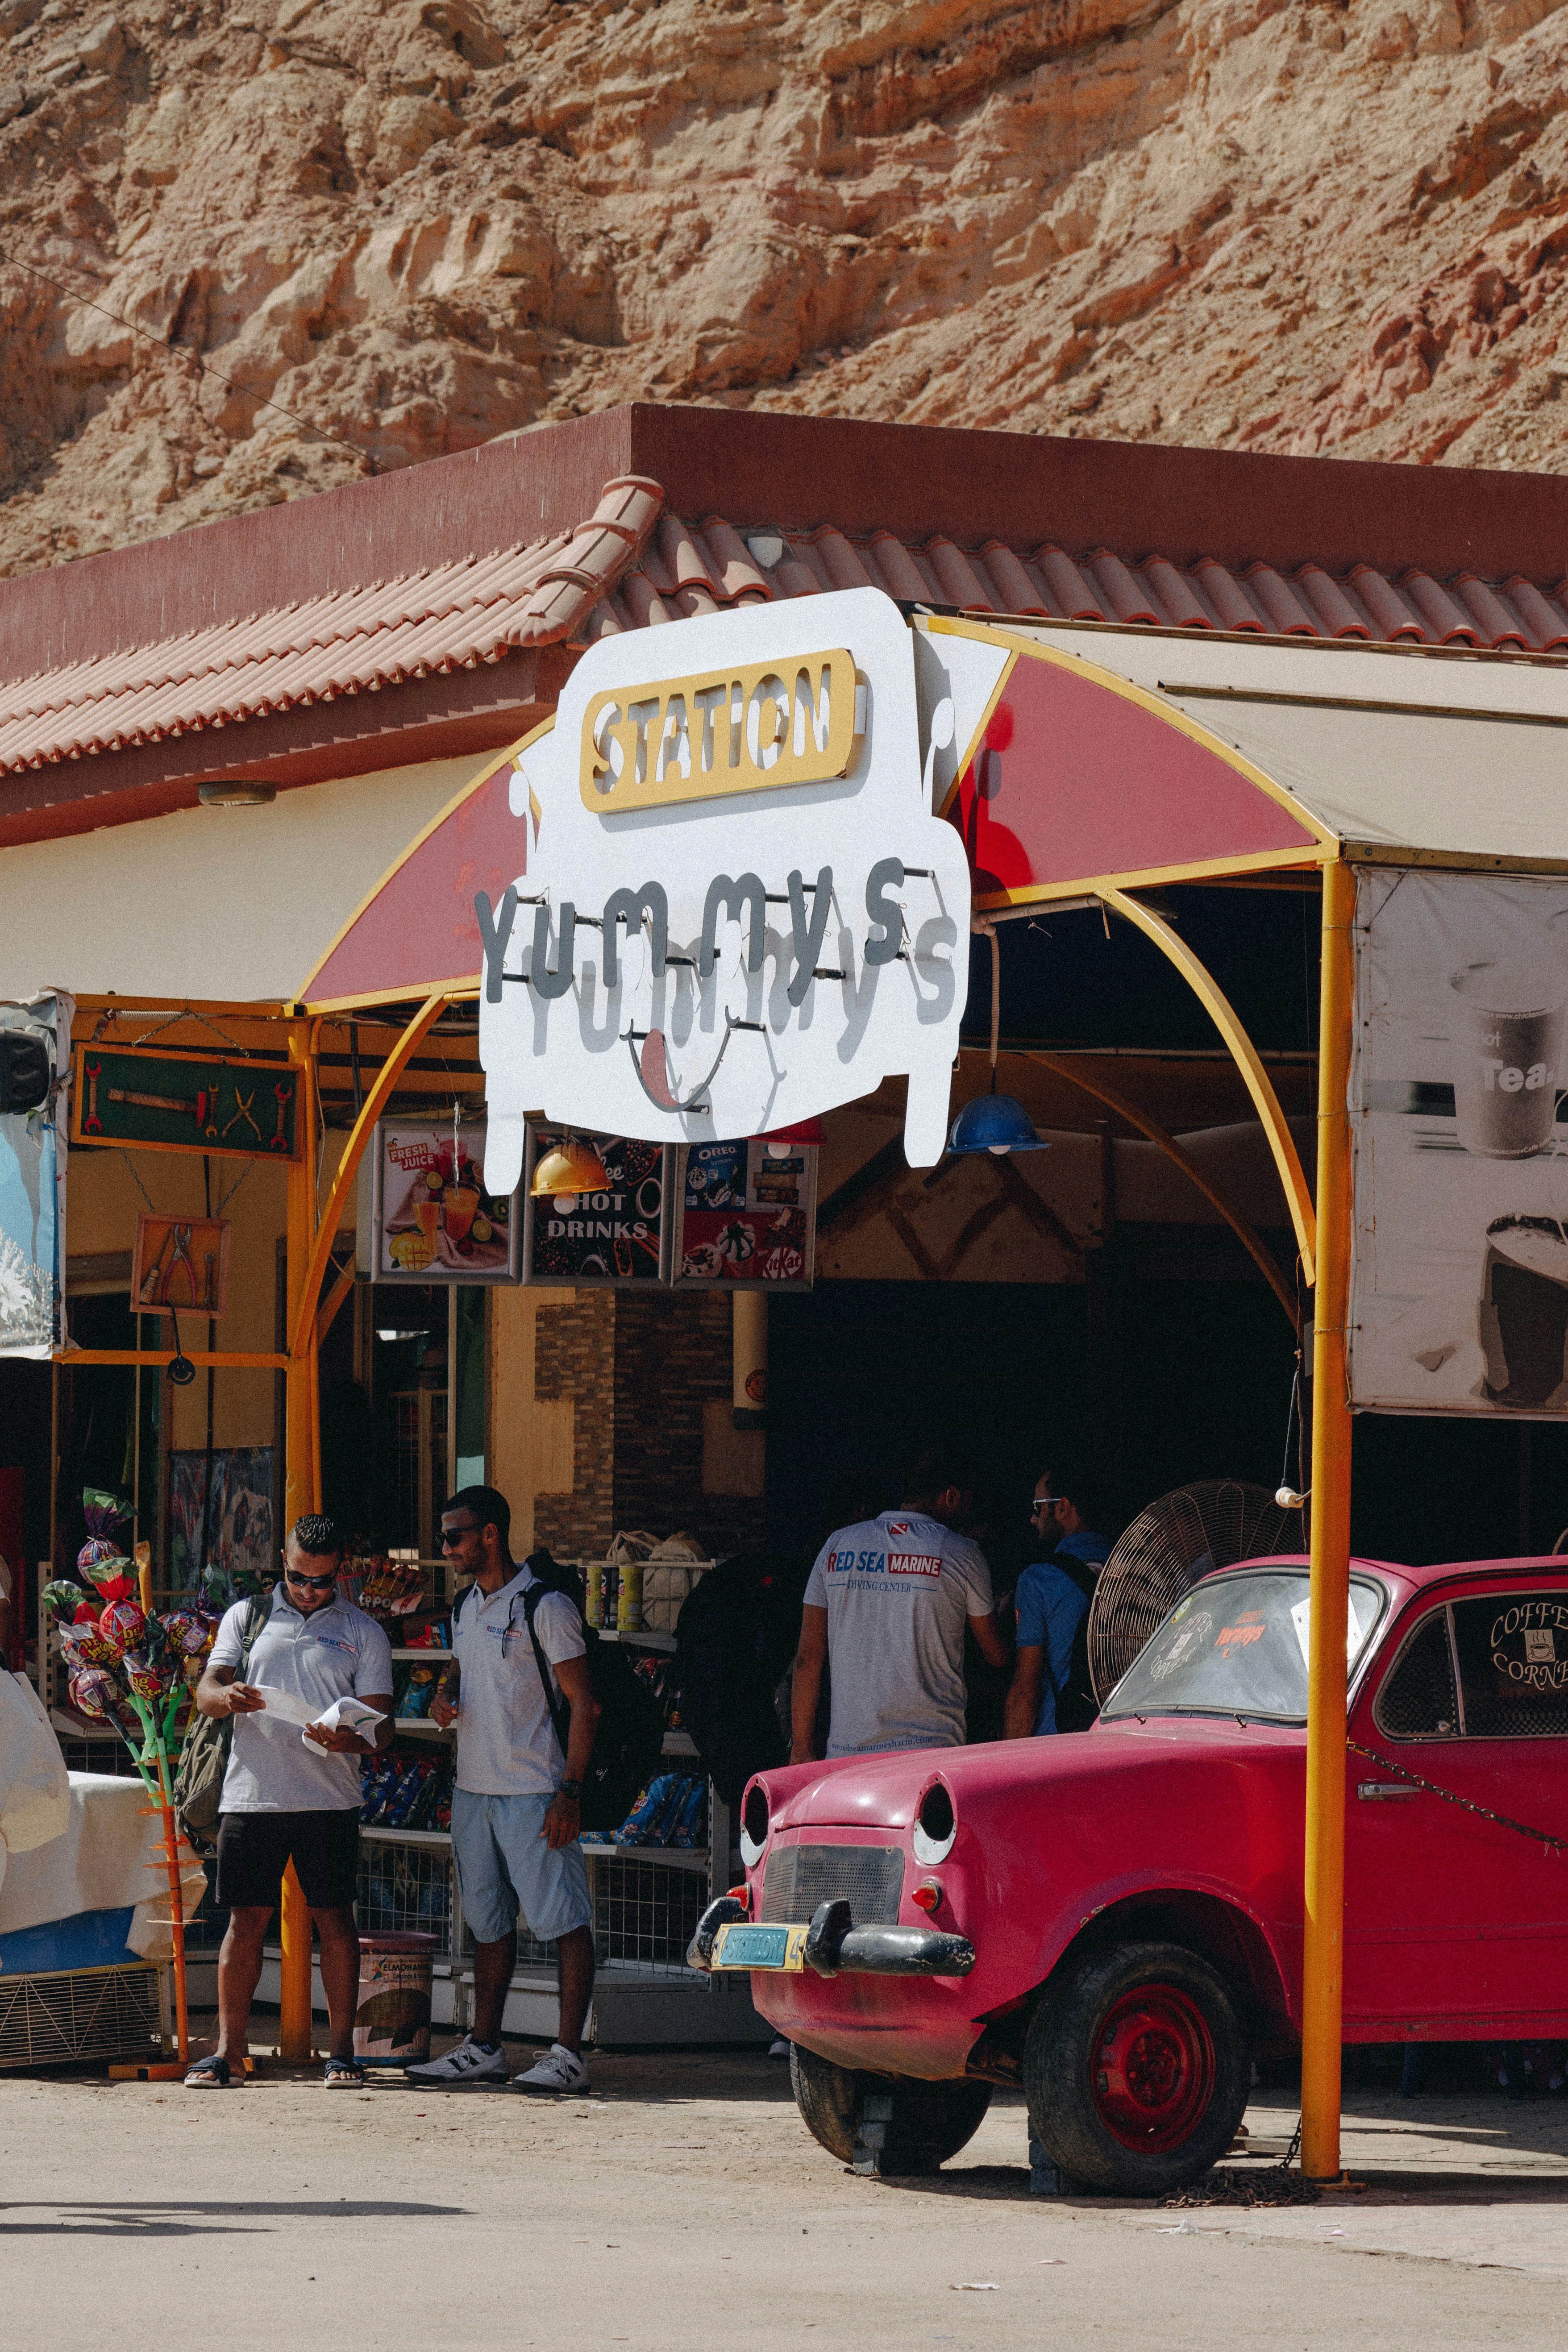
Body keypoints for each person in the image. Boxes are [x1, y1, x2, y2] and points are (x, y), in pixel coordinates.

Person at [187, 1514, 393, 2087]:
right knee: (245, 1920)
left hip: (329, 1799)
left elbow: (383, 1727)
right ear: (283, 1560)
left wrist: (348, 1737)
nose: (309, 1590)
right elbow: (204, 1691)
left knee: (335, 1920)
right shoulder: (246, 1616)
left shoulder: (362, 1630)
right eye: (300, 1577)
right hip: (252, 1795)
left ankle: (343, 2054)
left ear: (340, 1571)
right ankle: (229, 2053)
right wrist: (227, 1695)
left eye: (323, 1581)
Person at [406, 1487, 600, 2095]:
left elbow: (586, 1704)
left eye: (454, 1535)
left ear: (490, 1534)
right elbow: (463, 1669)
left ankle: (569, 2053)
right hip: (474, 1789)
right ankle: (485, 2047)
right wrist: (447, 1694)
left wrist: (569, 1792)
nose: (446, 1548)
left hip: (534, 1789)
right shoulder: (466, 1605)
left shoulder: (545, 1605)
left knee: (563, 1919)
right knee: (489, 1925)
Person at [790, 1446, 1007, 1762]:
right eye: (967, 1499)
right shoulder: (963, 1554)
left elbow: (807, 1658)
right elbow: (995, 1655)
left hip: (846, 1752)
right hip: (929, 1752)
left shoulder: (838, 1545)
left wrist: (801, 1750)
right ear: (951, 1497)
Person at [1004, 1467, 1113, 1739]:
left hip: (1059, 1741)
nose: (1033, 1518)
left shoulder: (1039, 1579)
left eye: (1038, 1507)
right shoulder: (1136, 1569)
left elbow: (1025, 1690)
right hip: (1122, 1738)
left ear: (1062, 1508)